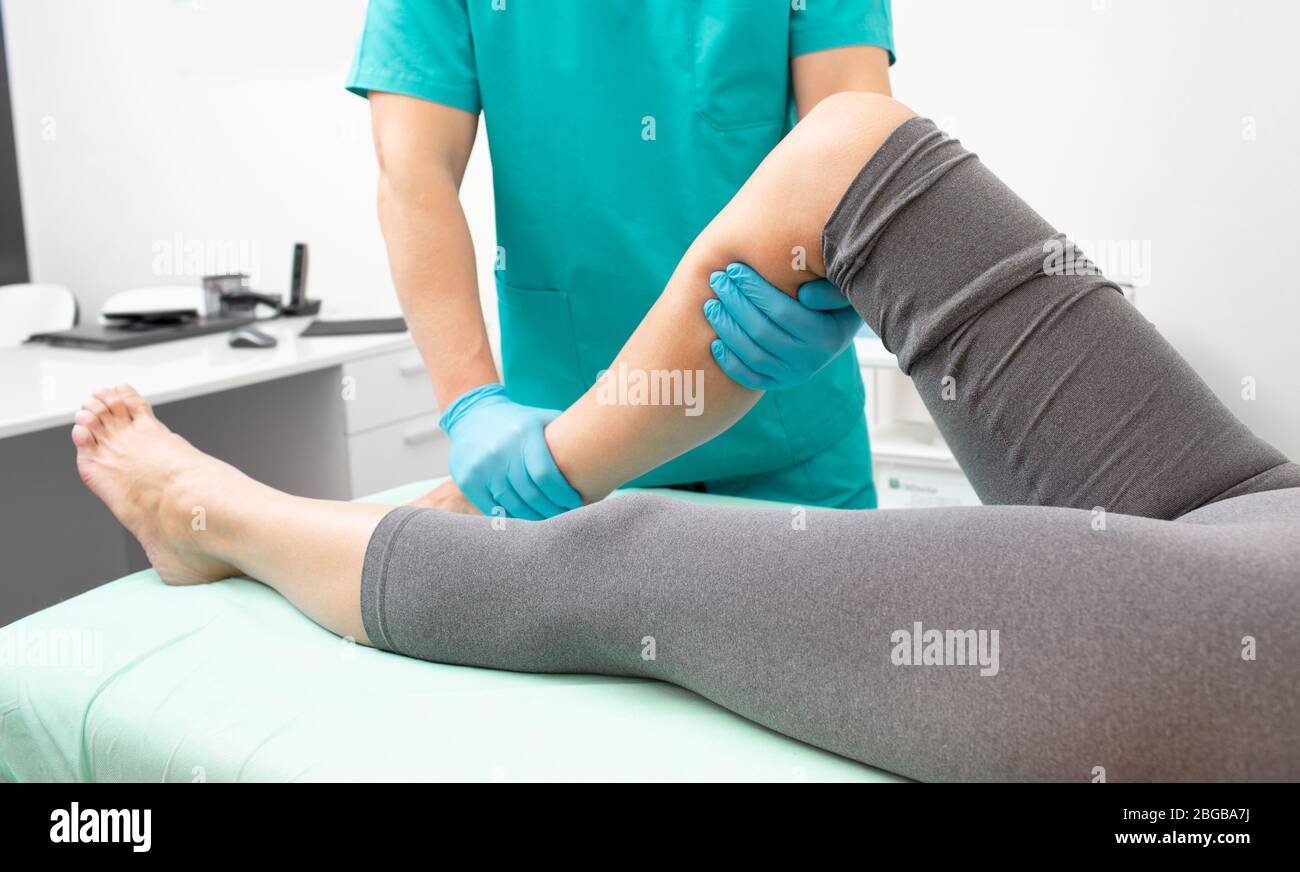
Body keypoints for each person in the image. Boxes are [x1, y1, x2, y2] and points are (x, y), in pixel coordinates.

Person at [71, 92, 1300, 780]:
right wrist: (473, 408)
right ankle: (527, 482)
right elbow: (414, 172)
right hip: (1266, 515)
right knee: (858, 155)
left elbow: (831, 64)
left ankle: (208, 514)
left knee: (619, 557)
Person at [347, 0, 895, 518]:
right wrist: (470, 401)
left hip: (788, 437)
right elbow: (413, 171)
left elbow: (850, 136)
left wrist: (851, 270)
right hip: (560, 454)